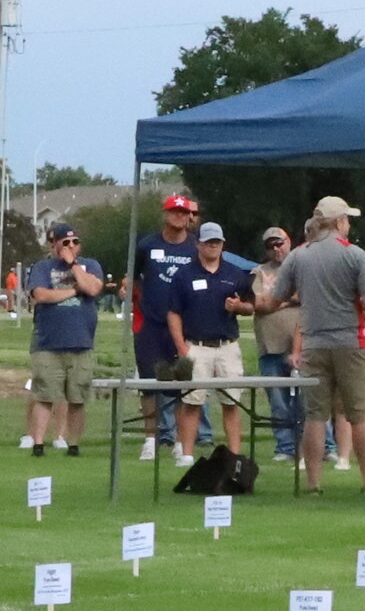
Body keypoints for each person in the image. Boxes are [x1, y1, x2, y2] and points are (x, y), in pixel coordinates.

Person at [270, 195, 365, 496]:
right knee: (359, 415)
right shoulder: (355, 254)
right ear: (338, 222)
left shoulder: (298, 255)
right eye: (347, 219)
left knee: (315, 416)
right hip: (351, 342)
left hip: (313, 343)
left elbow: (277, 295)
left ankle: (313, 484)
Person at [163, 221, 254, 461]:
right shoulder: (184, 275)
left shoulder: (235, 273)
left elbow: (251, 306)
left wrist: (239, 306)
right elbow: (173, 313)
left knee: (231, 403)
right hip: (196, 346)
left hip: (227, 346)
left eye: (217, 242)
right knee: (192, 402)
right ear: (199, 244)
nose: (213, 246)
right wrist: (182, 347)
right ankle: (187, 455)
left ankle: (234, 456)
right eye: (209, 242)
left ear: (223, 244)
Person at [129, 193, 203, 460]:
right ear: (166, 213)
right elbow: (134, 278)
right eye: (174, 212)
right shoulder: (147, 245)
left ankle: (181, 442)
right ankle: (151, 437)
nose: (179, 217)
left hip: (184, 326)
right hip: (150, 323)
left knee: (183, 383)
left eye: (184, 213)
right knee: (149, 383)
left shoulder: (195, 247)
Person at [22, 223, 102, 455]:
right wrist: (75, 291)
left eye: (75, 242)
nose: (70, 246)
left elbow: (94, 288)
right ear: (53, 244)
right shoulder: (43, 267)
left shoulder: (90, 265)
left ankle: (73, 444)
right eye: (65, 242)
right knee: (44, 394)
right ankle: (38, 443)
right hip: (48, 343)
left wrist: (73, 265)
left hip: (81, 342)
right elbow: (41, 295)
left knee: (77, 398)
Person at [250, 225, 305, 461]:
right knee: (278, 401)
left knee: (308, 401)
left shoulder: (303, 267)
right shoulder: (259, 272)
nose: (276, 248)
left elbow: (307, 297)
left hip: (302, 345)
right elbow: (258, 304)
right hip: (269, 346)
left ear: (288, 241)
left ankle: (322, 447)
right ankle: (285, 448)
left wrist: (278, 301)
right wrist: (289, 300)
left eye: (279, 242)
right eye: (270, 245)